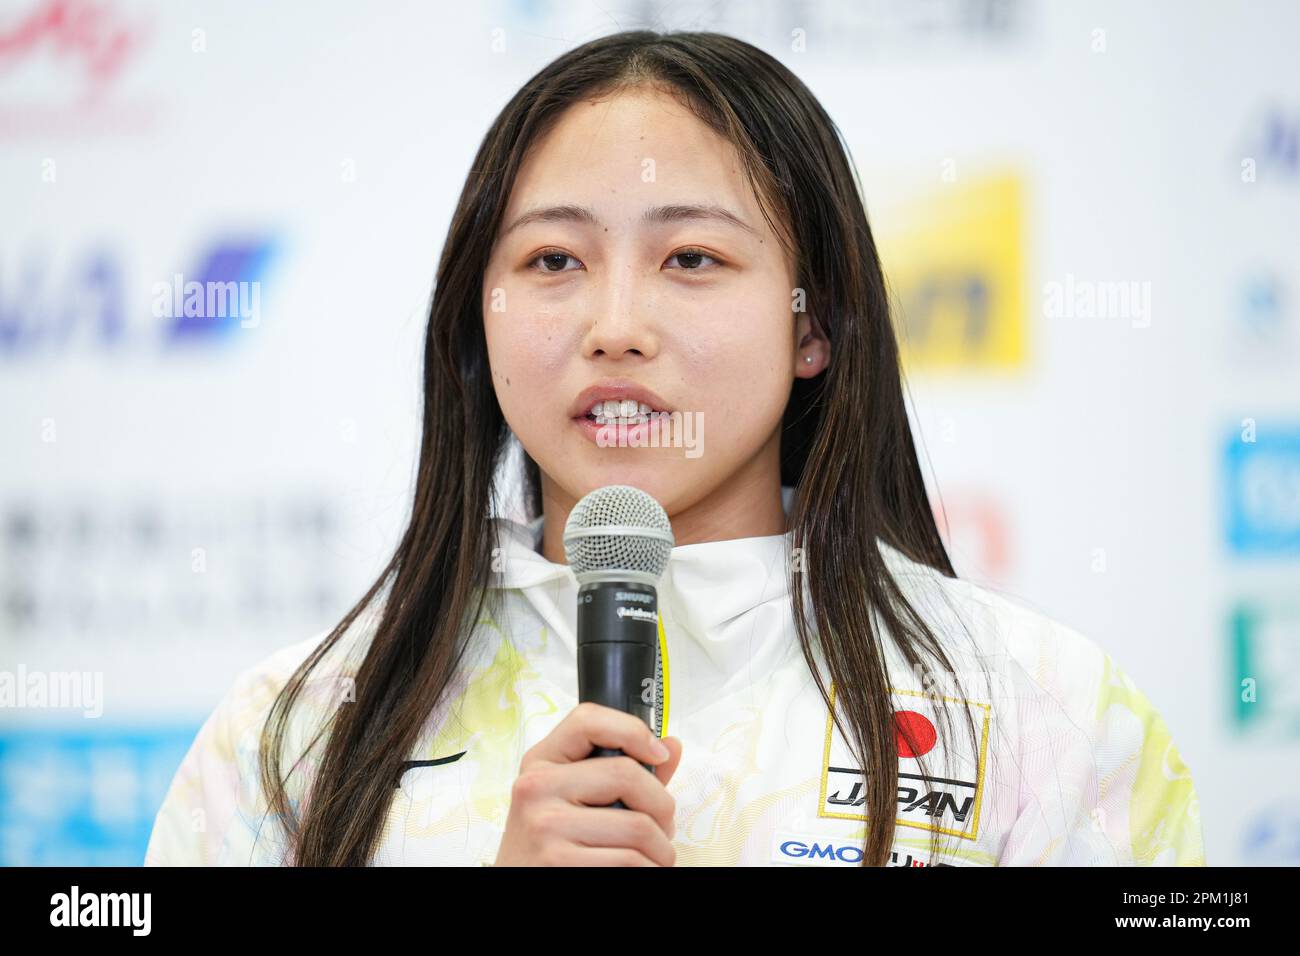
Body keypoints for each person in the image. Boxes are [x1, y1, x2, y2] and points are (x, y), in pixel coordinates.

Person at [144, 30, 1205, 868]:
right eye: (554, 258)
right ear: (479, 314)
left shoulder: (1043, 717)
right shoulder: (293, 737)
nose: (615, 324)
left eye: (690, 256)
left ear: (813, 322)